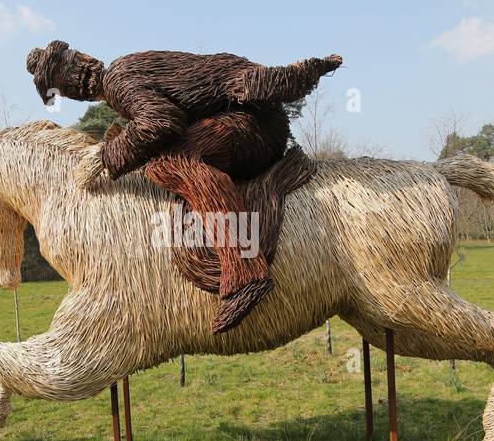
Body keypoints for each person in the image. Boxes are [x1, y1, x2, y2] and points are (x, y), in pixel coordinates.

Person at [26, 41, 342, 331]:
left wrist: (107, 157)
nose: (74, 78)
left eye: (68, 71)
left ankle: (245, 271)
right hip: (253, 118)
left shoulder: (119, 80)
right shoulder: (125, 72)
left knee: (175, 160)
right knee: (160, 162)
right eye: (66, 77)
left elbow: (161, 122)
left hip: (255, 123)